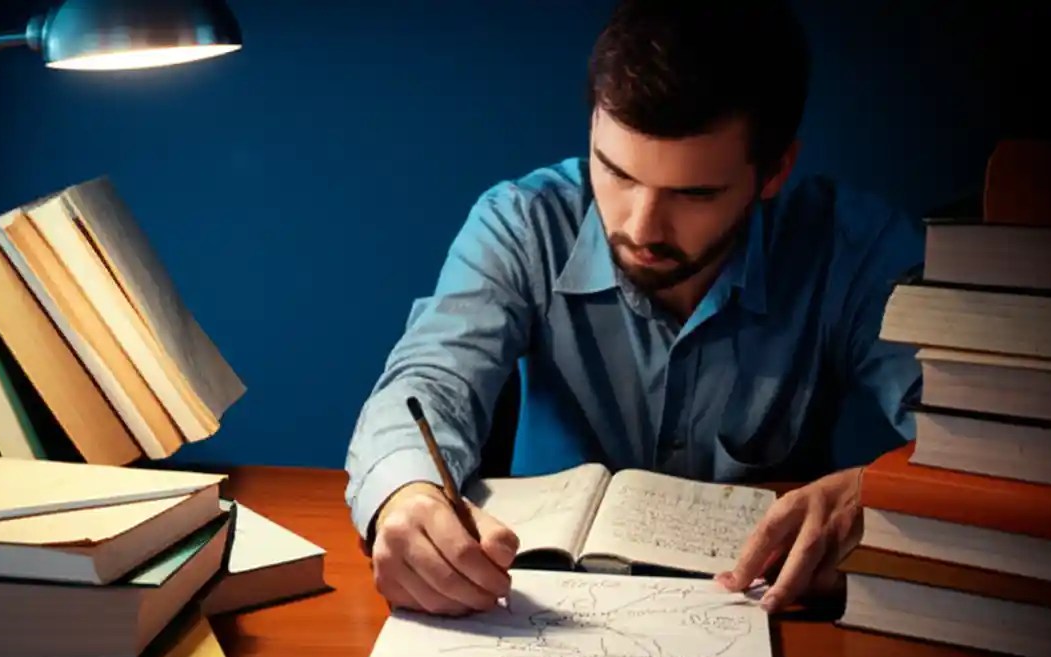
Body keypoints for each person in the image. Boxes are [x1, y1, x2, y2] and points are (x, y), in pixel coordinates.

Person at [343, 0, 923, 617]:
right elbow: (427, 381)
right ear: (594, 127)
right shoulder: (523, 223)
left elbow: (978, 439)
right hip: (536, 606)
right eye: (616, 173)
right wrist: (405, 495)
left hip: (773, 614)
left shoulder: (851, 249)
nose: (641, 228)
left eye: (694, 193)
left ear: (774, 171)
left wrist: (874, 490)